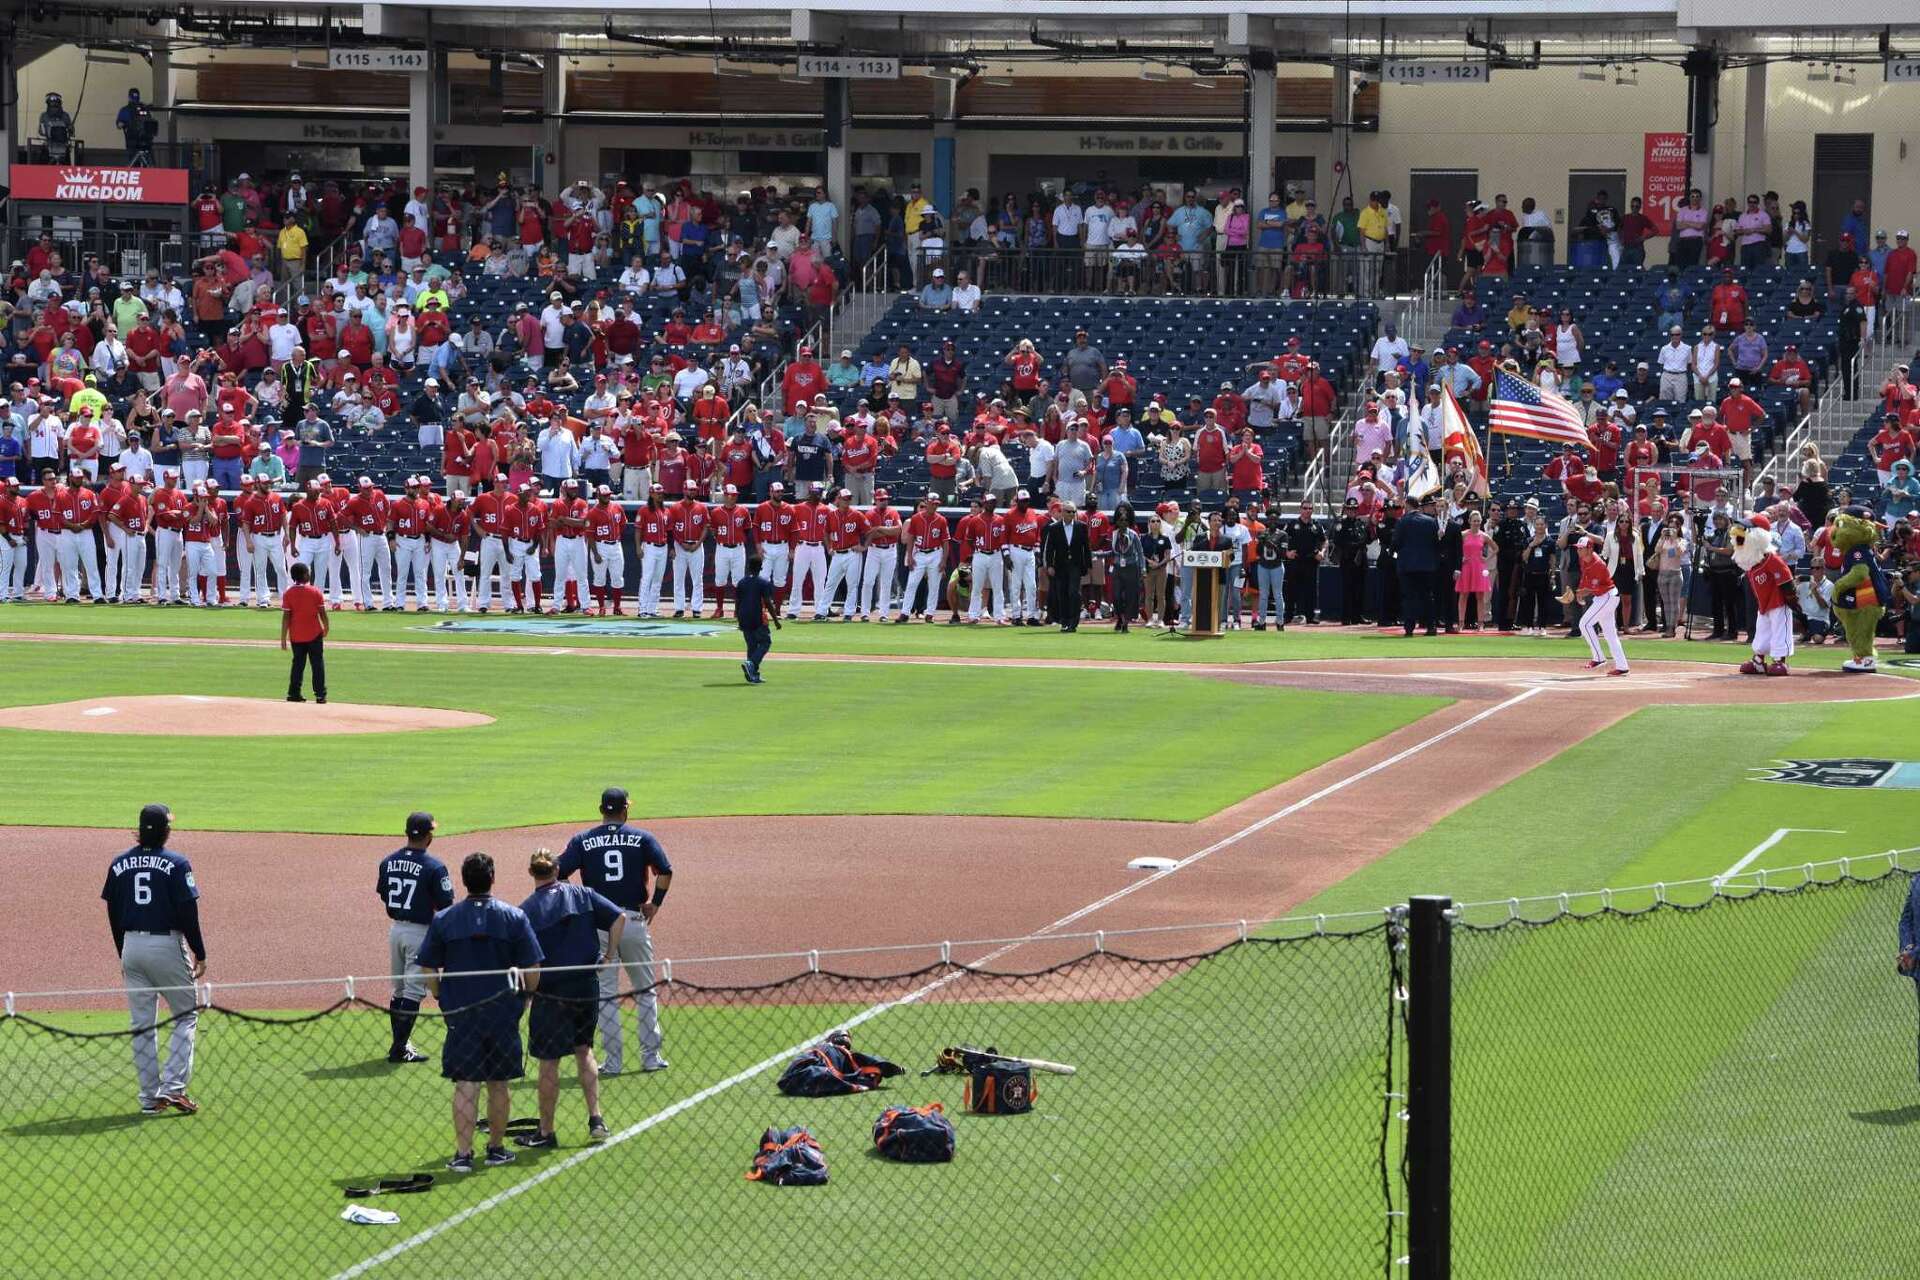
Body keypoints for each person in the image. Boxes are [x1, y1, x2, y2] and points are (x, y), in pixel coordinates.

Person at [417, 852, 544, 1172]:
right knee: (499, 1083)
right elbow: (533, 966)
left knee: (466, 1084)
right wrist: (527, 996)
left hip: (462, 1014)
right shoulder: (513, 917)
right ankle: (496, 1149)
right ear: (492, 878)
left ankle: (462, 1154)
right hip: (503, 1011)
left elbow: (428, 965)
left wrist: (440, 996)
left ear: (463, 880)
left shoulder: (444, 919)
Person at [557, 788, 673, 1076]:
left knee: (605, 994)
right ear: (625, 810)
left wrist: (579, 899)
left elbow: (558, 873)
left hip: (598, 925)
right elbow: (666, 871)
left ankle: (613, 1062)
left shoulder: (583, 840)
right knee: (645, 990)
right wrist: (654, 905)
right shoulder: (642, 837)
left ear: (601, 810)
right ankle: (650, 1057)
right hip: (633, 920)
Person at [516, 849, 625, 1149]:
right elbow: (619, 918)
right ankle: (596, 1118)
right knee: (584, 1050)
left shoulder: (526, 910)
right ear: (557, 869)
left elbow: (529, 964)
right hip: (585, 986)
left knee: (549, 1062)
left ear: (532, 873)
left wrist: (528, 994)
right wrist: (608, 955)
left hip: (550, 992)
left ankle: (546, 1132)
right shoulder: (583, 894)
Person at [102, 803, 206, 1116]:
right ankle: (174, 1088)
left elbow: (113, 912)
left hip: (132, 946)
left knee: (142, 1026)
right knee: (186, 1015)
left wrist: (124, 951)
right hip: (166, 945)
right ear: (165, 831)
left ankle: (149, 1098)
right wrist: (199, 950)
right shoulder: (177, 864)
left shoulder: (119, 864)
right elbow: (188, 910)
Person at [376, 811, 454, 1064]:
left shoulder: (387, 861)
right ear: (428, 835)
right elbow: (446, 904)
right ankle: (399, 1049)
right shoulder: (434, 867)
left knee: (398, 990)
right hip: (420, 933)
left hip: (396, 930)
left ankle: (400, 1044)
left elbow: (384, 894)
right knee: (412, 992)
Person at [1573, 536, 1630, 675]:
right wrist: (1579, 591)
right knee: (1610, 634)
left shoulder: (1598, 564)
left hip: (1608, 596)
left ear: (1590, 548)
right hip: (1602, 597)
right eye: (1578, 548)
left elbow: (1595, 588)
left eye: (1582, 548)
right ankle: (1622, 666)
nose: (1579, 551)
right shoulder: (1583, 559)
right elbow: (1584, 577)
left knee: (1584, 624)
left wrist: (1582, 592)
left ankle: (1598, 657)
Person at [280, 560, 329, 703]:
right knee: (317, 664)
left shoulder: (288, 593)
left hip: (296, 636)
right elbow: (322, 613)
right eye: (308, 572)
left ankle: (293, 693)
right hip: (314, 634)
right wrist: (326, 627)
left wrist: (283, 638)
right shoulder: (315, 592)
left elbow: (286, 618)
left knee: (298, 665)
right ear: (304, 575)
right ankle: (320, 695)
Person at [1394, 493, 1441, 636]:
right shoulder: (1430, 522)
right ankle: (1431, 626)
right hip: (1426, 566)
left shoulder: (1403, 522)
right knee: (1427, 596)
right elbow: (1435, 544)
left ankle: (1409, 628)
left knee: (1409, 597)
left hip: (1407, 566)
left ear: (1408, 505)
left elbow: (1396, 543)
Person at [1042, 500, 1091, 632]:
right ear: (1062, 512)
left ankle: (1073, 622)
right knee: (1062, 593)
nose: (1071, 514)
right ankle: (1064, 621)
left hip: (1075, 565)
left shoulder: (1081, 527)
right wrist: (1050, 565)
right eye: (1068, 511)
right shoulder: (1054, 528)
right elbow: (1050, 549)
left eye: (1073, 512)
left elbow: (1086, 547)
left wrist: (1087, 565)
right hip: (1060, 565)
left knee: (1073, 592)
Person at [737, 554, 783, 683]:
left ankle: (753, 674)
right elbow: (768, 603)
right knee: (765, 642)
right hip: (757, 617)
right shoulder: (763, 583)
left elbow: (738, 602)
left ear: (748, 567)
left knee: (751, 646)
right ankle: (751, 664)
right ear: (761, 568)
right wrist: (776, 620)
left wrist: (739, 618)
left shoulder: (741, 582)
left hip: (744, 617)